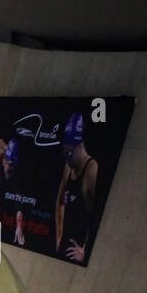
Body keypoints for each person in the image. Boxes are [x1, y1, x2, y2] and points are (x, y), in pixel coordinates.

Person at [54, 113, 99, 265]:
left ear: (80, 146)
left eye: (69, 154)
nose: (67, 160)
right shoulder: (68, 167)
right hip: (64, 246)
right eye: (64, 154)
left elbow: (96, 217)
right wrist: (59, 235)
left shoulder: (91, 170)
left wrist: (86, 251)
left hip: (78, 251)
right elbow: (59, 202)